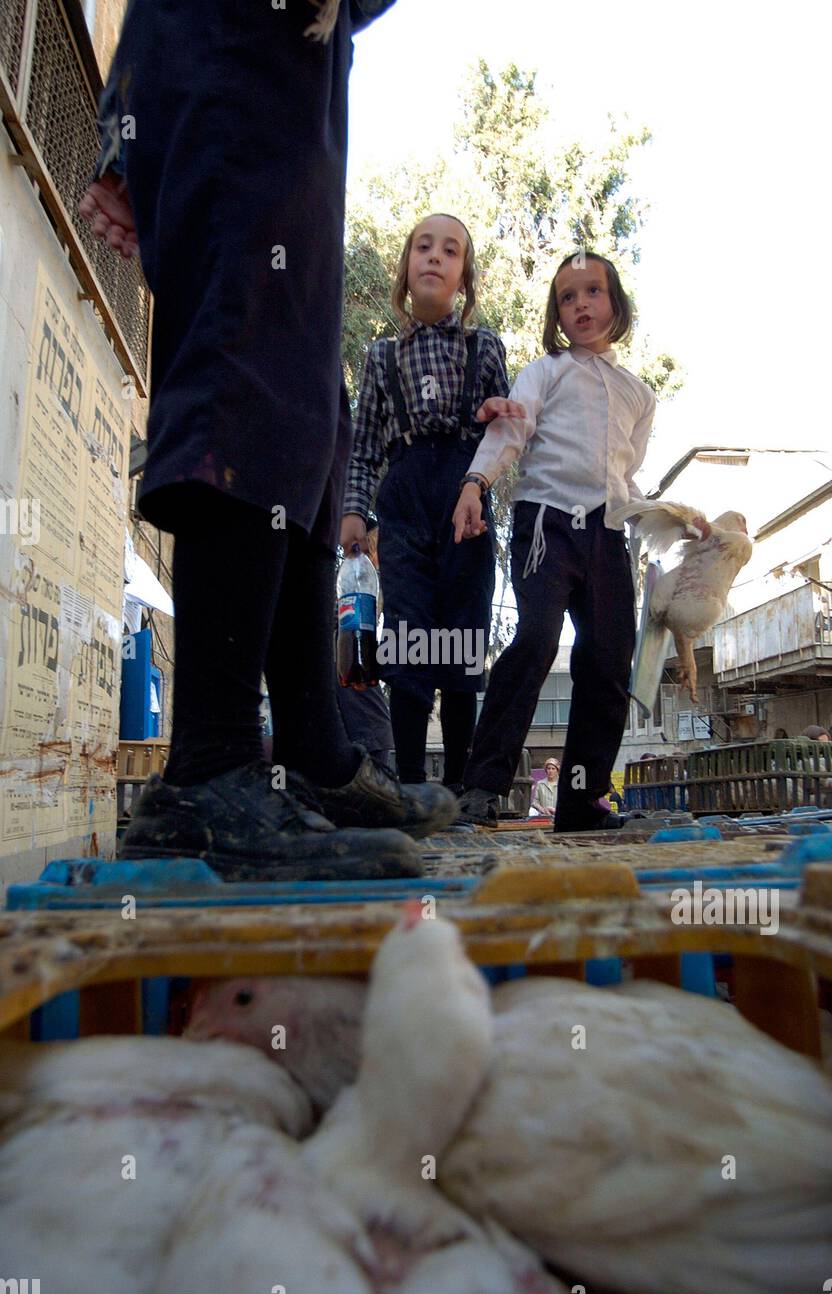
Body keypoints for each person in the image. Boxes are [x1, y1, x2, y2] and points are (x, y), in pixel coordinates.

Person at [78, 0, 454, 881]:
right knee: (251, 353)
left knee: (308, 401)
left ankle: (313, 756)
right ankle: (207, 768)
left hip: (281, 64)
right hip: (233, 43)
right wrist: (127, 125)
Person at [453, 251, 656, 832]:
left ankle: (581, 801)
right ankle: (480, 787)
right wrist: (476, 481)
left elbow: (623, 472)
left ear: (615, 301)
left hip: (609, 533)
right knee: (539, 637)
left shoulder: (639, 395)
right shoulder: (546, 371)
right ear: (556, 314)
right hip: (545, 522)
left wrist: (665, 518)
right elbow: (511, 429)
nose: (582, 304)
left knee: (608, 660)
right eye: (568, 297)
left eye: (593, 291)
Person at [340, 213, 516, 794]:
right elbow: (364, 450)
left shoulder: (485, 347)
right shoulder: (381, 356)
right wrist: (355, 513)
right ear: (405, 270)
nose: (435, 258)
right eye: (423, 247)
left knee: (464, 645)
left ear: (464, 279)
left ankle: (464, 788)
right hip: (406, 508)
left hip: (467, 504)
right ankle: (413, 785)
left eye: (450, 251)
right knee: (408, 642)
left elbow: (505, 434)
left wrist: (492, 437)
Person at [335, 521, 395, 770]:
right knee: (372, 728)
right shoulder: (354, 572)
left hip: (354, 660)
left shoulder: (372, 575)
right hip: (343, 657)